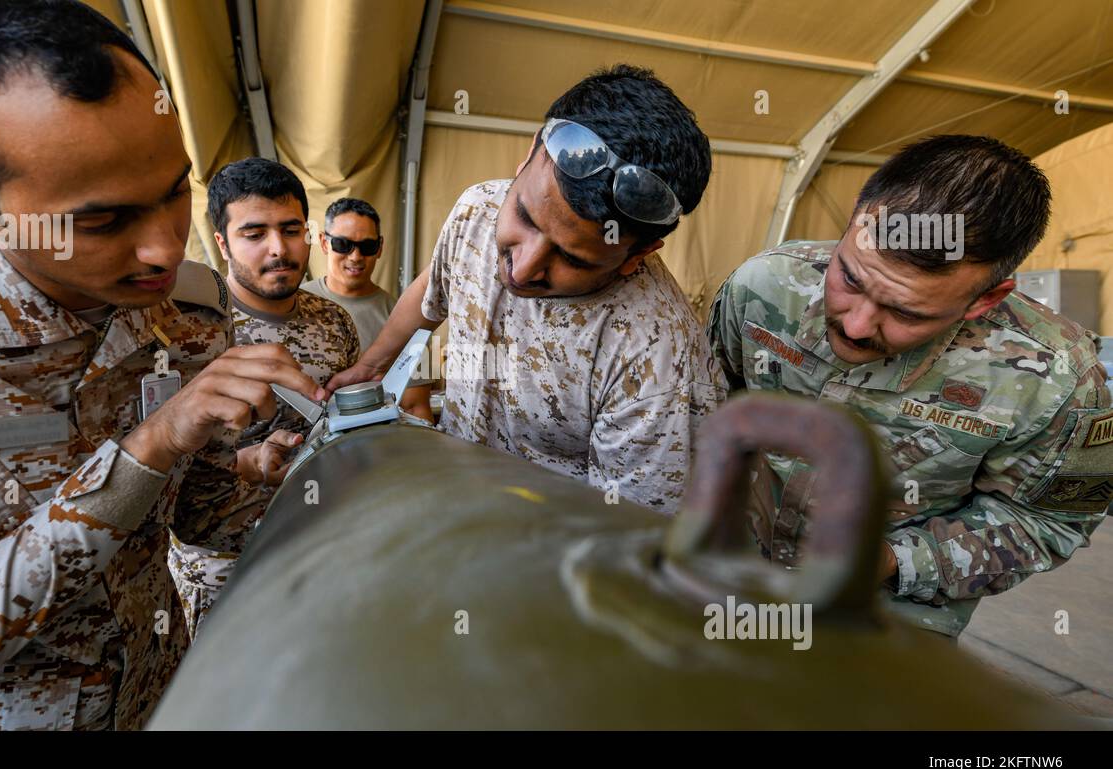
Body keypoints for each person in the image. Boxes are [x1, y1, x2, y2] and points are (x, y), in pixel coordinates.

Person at [0, 0, 321, 730]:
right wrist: (140, 458)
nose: (162, 248)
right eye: (103, 220)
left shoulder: (188, 310)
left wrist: (292, 473)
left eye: (176, 190)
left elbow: (203, 518)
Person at [707, 134, 1113, 638]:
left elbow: (1049, 522)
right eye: (850, 279)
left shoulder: (1058, 382)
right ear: (856, 217)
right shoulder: (764, 288)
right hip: (731, 577)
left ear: (985, 301)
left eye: (905, 312)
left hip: (885, 617)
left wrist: (895, 561)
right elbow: (705, 411)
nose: (855, 326)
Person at [328, 65, 727, 515]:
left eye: (572, 259)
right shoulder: (476, 210)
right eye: (525, 217)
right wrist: (372, 364)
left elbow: (623, 539)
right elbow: (433, 287)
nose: (523, 267)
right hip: (460, 509)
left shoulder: (654, 355)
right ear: (527, 157)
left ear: (637, 256)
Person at [165, 158, 362, 635]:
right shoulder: (183, 331)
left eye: (291, 229)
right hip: (226, 571)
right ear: (222, 243)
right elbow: (153, 464)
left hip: (319, 548)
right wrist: (245, 462)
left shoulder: (333, 320)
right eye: (254, 234)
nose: (279, 249)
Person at [303, 197, 432, 420]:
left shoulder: (404, 320)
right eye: (343, 244)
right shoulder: (296, 305)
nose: (355, 256)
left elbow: (415, 408)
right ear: (324, 243)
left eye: (367, 246)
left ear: (380, 247)